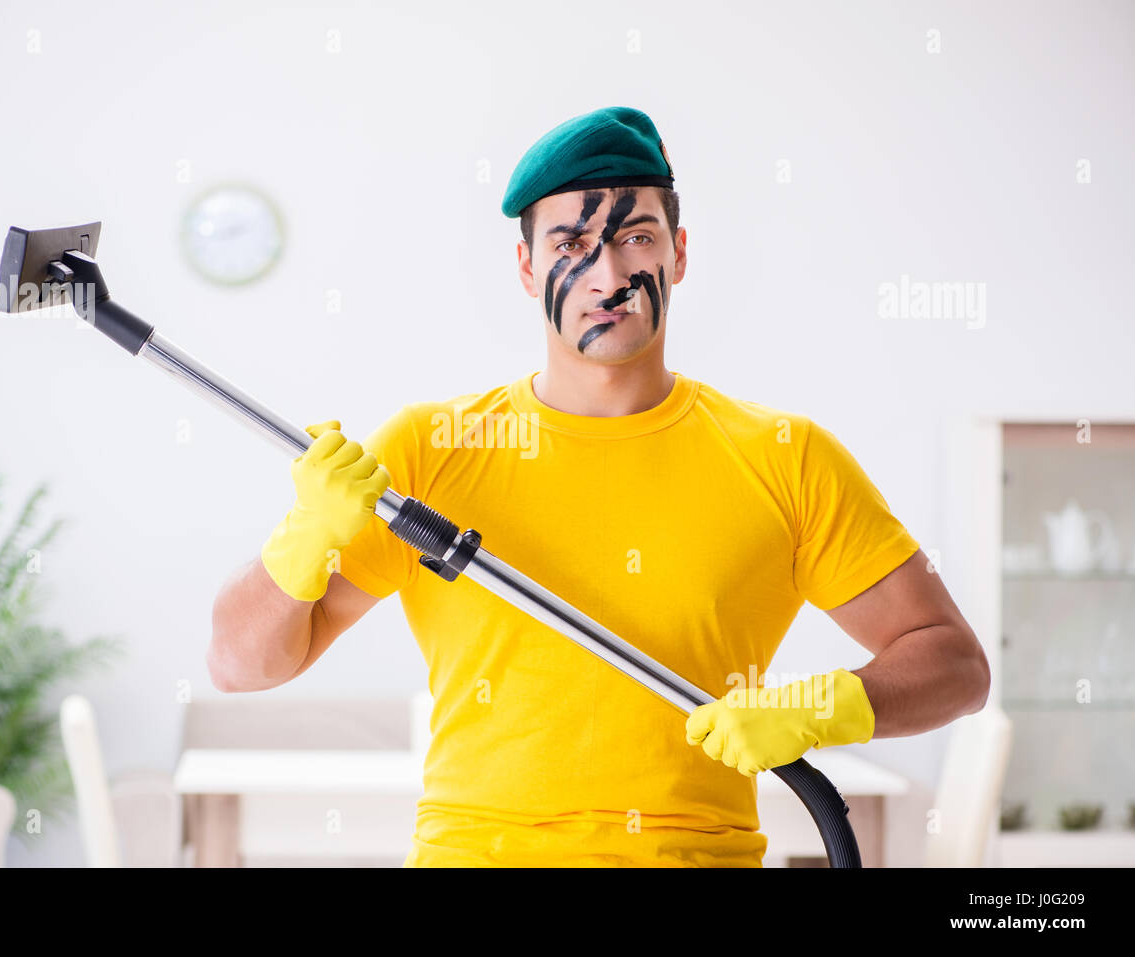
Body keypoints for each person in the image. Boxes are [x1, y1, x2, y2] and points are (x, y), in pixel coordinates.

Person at [209, 106, 990, 867]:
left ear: (679, 254)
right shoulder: (428, 452)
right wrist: (302, 537)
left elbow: (957, 665)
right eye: (572, 242)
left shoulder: (788, 457)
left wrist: (824, 708)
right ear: (527, 267)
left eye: (636, 237)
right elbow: (240, 666)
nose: (608, 274)